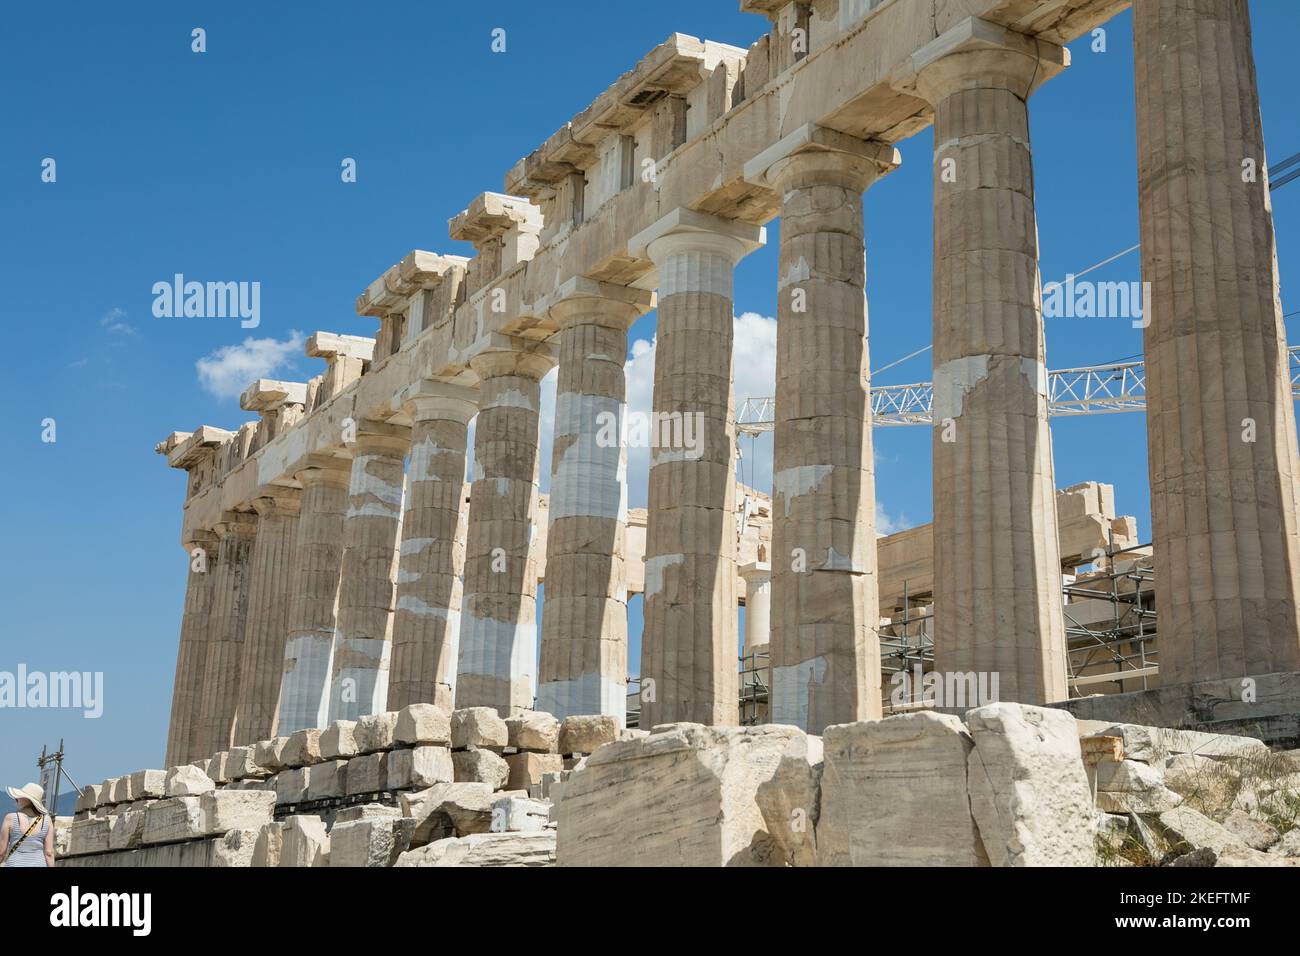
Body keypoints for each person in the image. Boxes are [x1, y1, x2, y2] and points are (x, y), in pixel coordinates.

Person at [1, 783, 55, 868]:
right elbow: (49, 852)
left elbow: (1, 852)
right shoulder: (47, 820)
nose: (17, 798)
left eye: (19, 796)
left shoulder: (10, 818)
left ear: (26, 799)